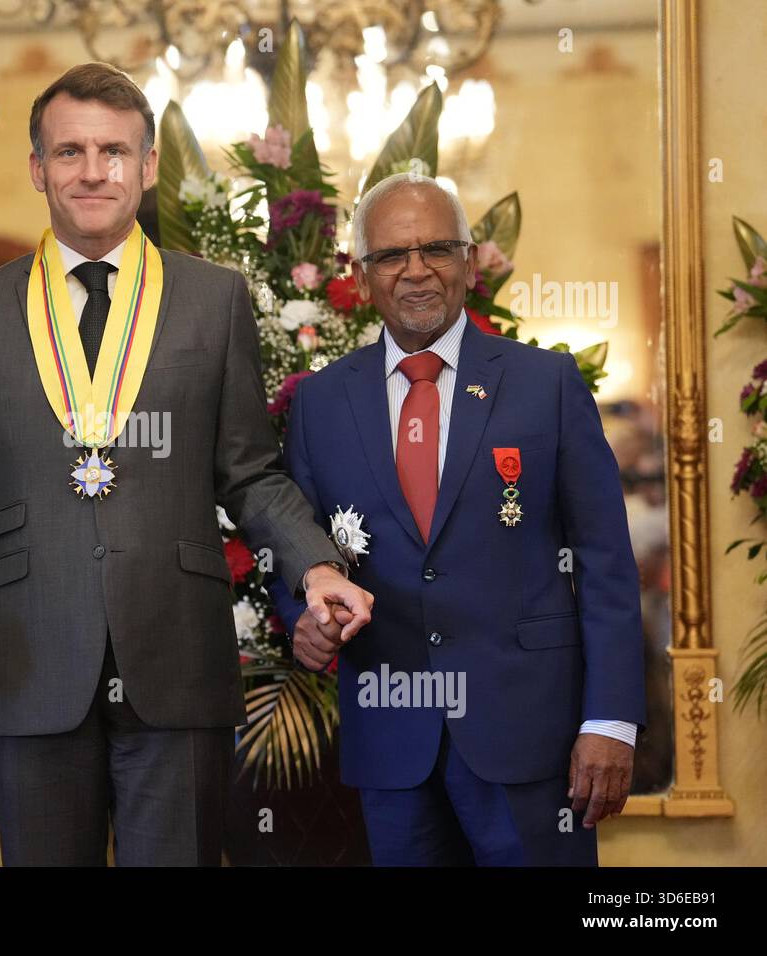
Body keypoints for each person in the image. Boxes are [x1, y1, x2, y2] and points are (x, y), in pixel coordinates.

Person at [0, 63, 373, 866]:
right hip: (28, 658)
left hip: (176, 656)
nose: (93, 170)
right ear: (38, 169)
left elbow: (249, 471)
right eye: (69, 151)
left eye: (114, 150)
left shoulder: (215, 298)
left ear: (147, 167)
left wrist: (316, 567)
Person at [274, 172, 645, 865]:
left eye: (436, 249)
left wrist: (612, 721)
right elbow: (300, 548)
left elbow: (605, 565)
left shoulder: (547, 385)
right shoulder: (321, 403)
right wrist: (303, 616)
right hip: (389, 741)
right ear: (361, 274)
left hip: (530, 739)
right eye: (391, 255)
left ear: (469, 262)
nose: (416, 271)